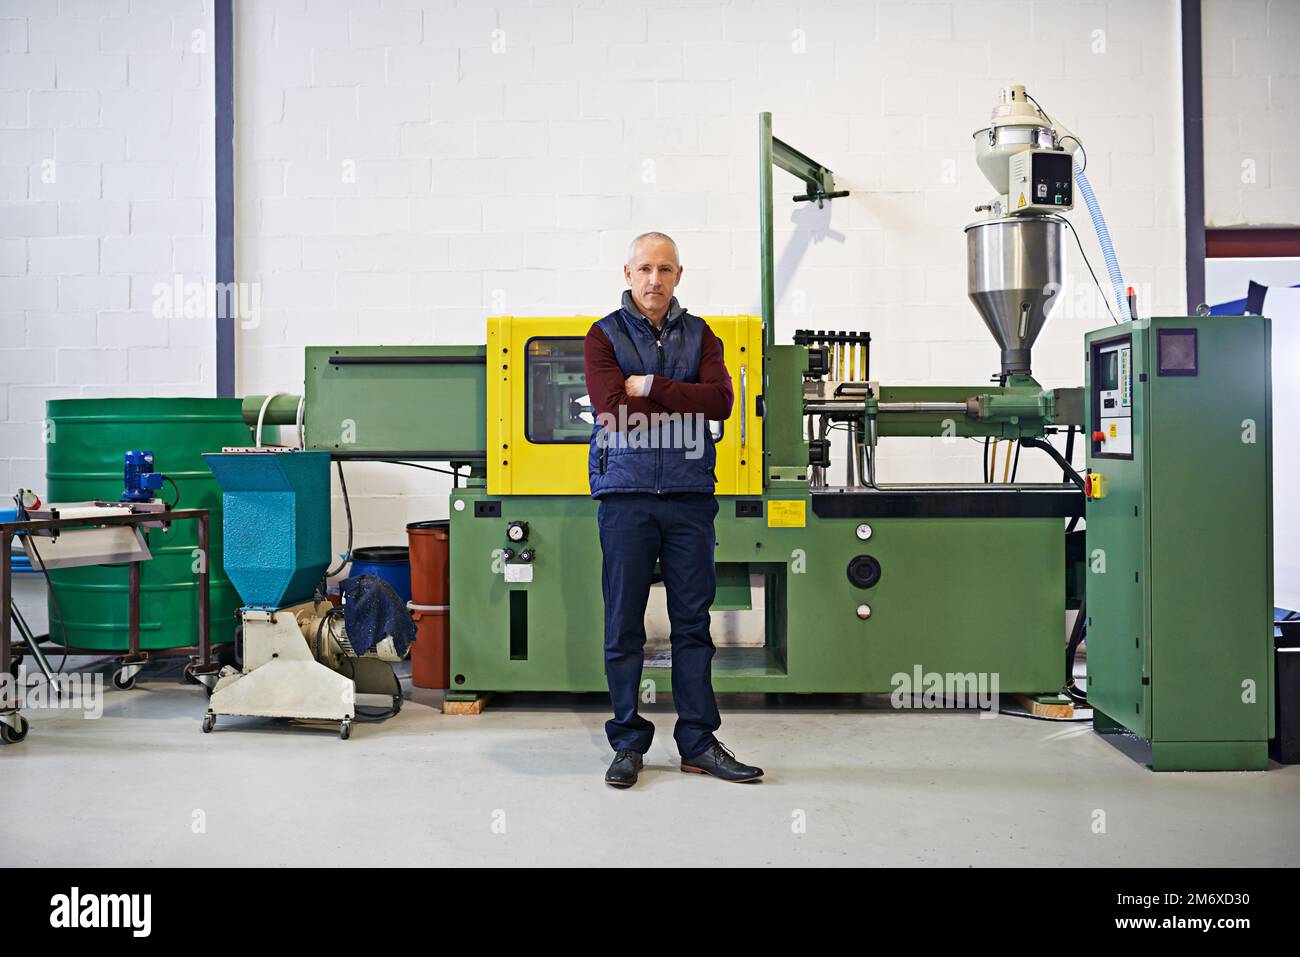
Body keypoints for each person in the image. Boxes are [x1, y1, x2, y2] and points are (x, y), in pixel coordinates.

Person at [583, 231, 765, 788]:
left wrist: (654, 385)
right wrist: (679, 395)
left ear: (679, 275)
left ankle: (697, 742)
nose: (654, 280)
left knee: (693, 626)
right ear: (627, 273)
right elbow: (612, 410)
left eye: (665, 269)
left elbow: (722, 401)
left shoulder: (701, 334)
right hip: (626, 497)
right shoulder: (603, 336)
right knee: (623, 626)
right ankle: (627, 741)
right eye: (645, 269)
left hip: (689, 499)